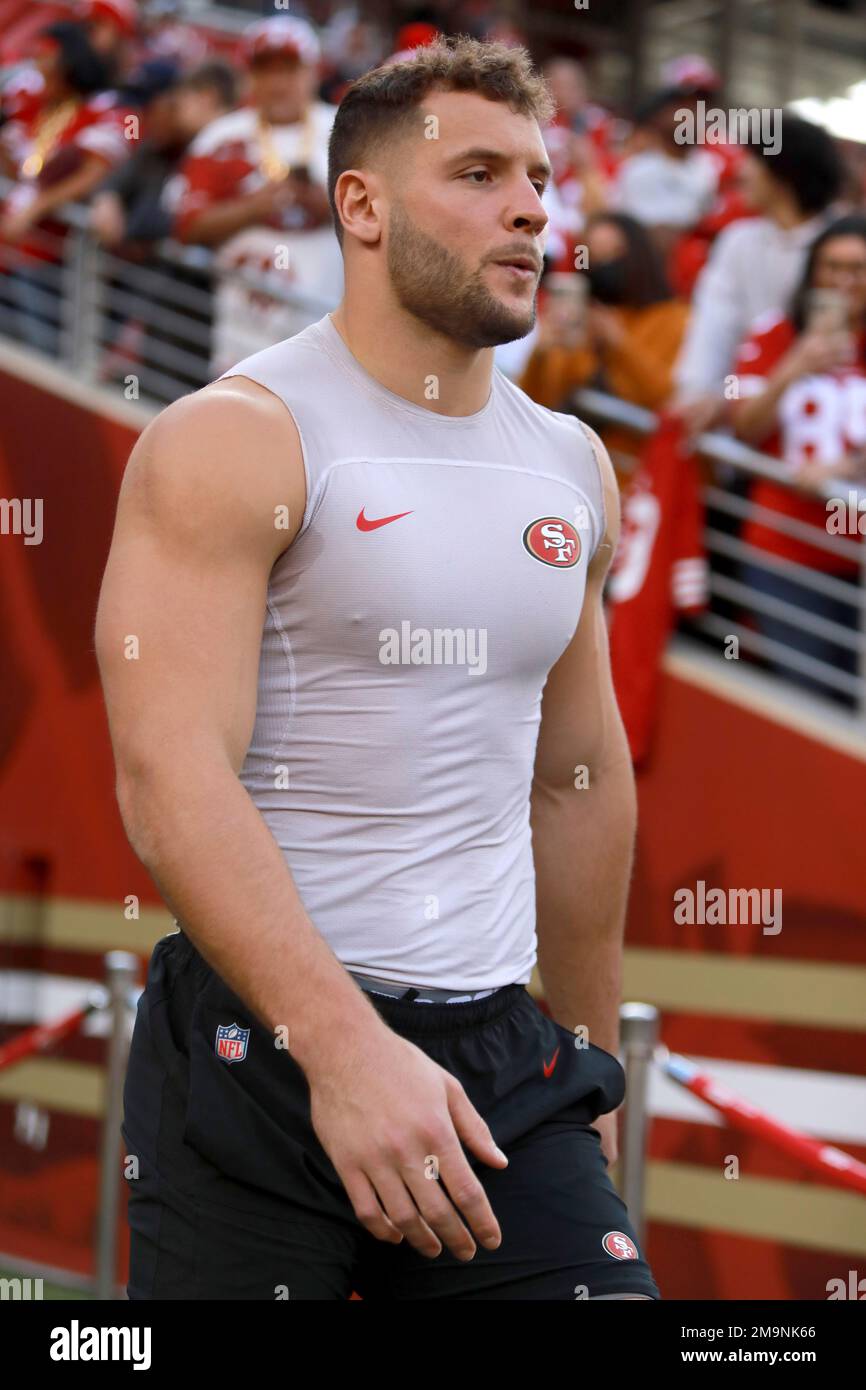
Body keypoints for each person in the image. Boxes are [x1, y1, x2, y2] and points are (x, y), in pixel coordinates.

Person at [96, 35, 660, 1302]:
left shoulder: (571, 463)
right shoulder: (234, 438)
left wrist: (583, 1077)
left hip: (500, 1061)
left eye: (536, 175)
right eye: (475, 173)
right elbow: (167, 775)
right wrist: (344, 1054)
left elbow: (575, 782)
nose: (528, 205)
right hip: (256, 1047)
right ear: (360, 205)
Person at [731, 215, 866, 697]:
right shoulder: (776, 334)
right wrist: (797, 364)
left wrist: (850, 467)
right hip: (786, 548)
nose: (843, 282)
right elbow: (745, 428)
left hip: (857, 551)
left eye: (857, 269)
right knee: (813, 700)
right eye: (832, 267)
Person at [166, 14, 342, 372]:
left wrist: (324, 206)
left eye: (289, 69)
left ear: (313, 71)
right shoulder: (221, 137)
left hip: (330, 335)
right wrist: (254, 208)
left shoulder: (347, 129)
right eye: (266, 70)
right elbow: (187, 226)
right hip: (241, 339)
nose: (277, 83)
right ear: (249, 76)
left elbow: (387, 216)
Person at [671, 113, 845, 435]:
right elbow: (714, 328)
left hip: (824, 425)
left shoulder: (843, 244)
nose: (741, 171)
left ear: (783, 173)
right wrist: (701, 395)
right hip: (745, 419)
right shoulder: (738, 241)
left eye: (753, 160)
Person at [519, 211, 689, 415]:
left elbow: (664, 398)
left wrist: (618, 344)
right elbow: (538, 399)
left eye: (615, 252)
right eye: (593, 255)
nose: (604, 264)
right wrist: (541, 354)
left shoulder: (672, 317)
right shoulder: (581, 317)